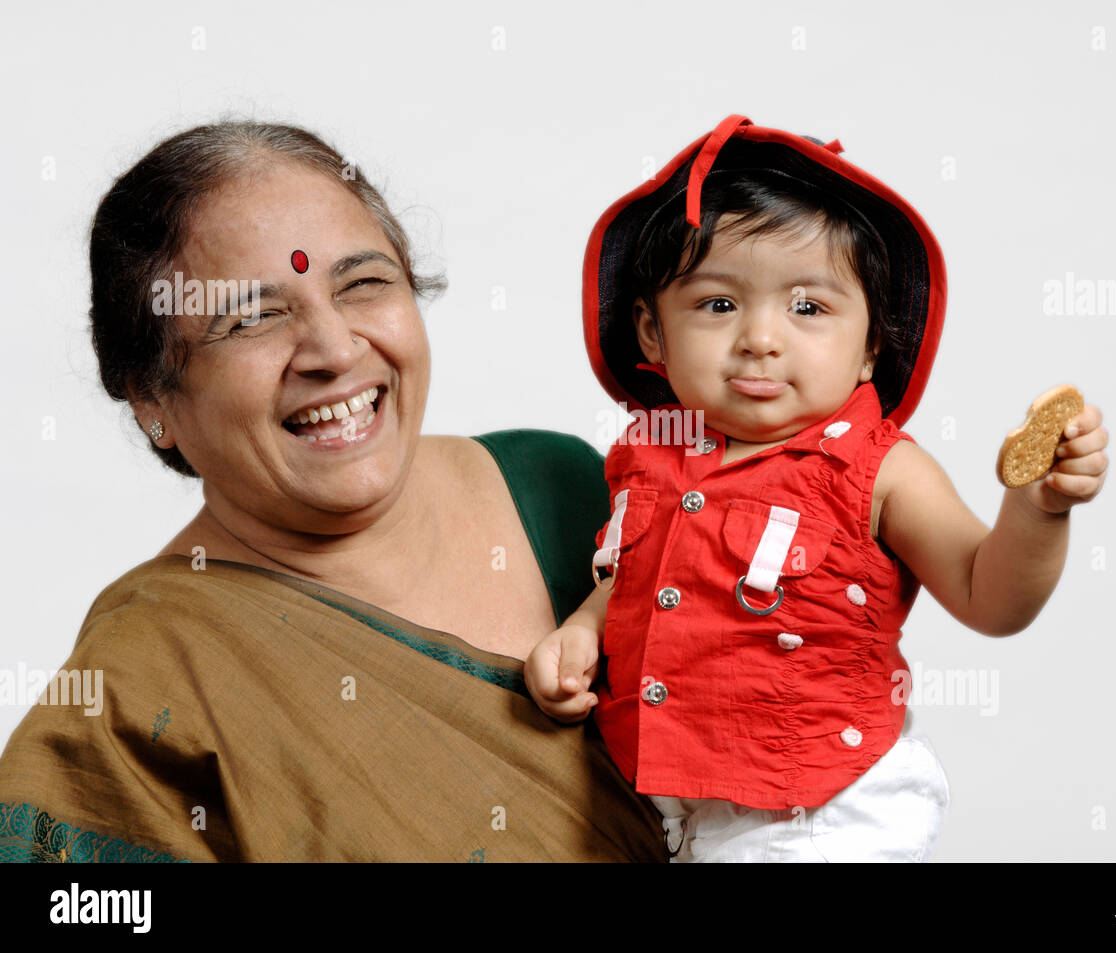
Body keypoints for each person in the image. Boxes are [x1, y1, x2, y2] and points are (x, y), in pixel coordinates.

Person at [0, 121, 666, 862]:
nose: (335, 349)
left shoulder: (568, 488)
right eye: (252, 316)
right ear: (151, 398)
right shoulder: (142, 680)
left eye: (363, 283)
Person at [524, 115, 1109, 862]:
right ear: (650, 334)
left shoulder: (880, 469)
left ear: (871, 345)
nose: (761, 336)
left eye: (808, 307)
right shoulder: (649, 455)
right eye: (718, 304)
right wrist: (582, 627)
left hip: (822, 809)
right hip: (674, 798)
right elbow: (643, 576)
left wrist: (1040, 508)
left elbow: (988, 594)